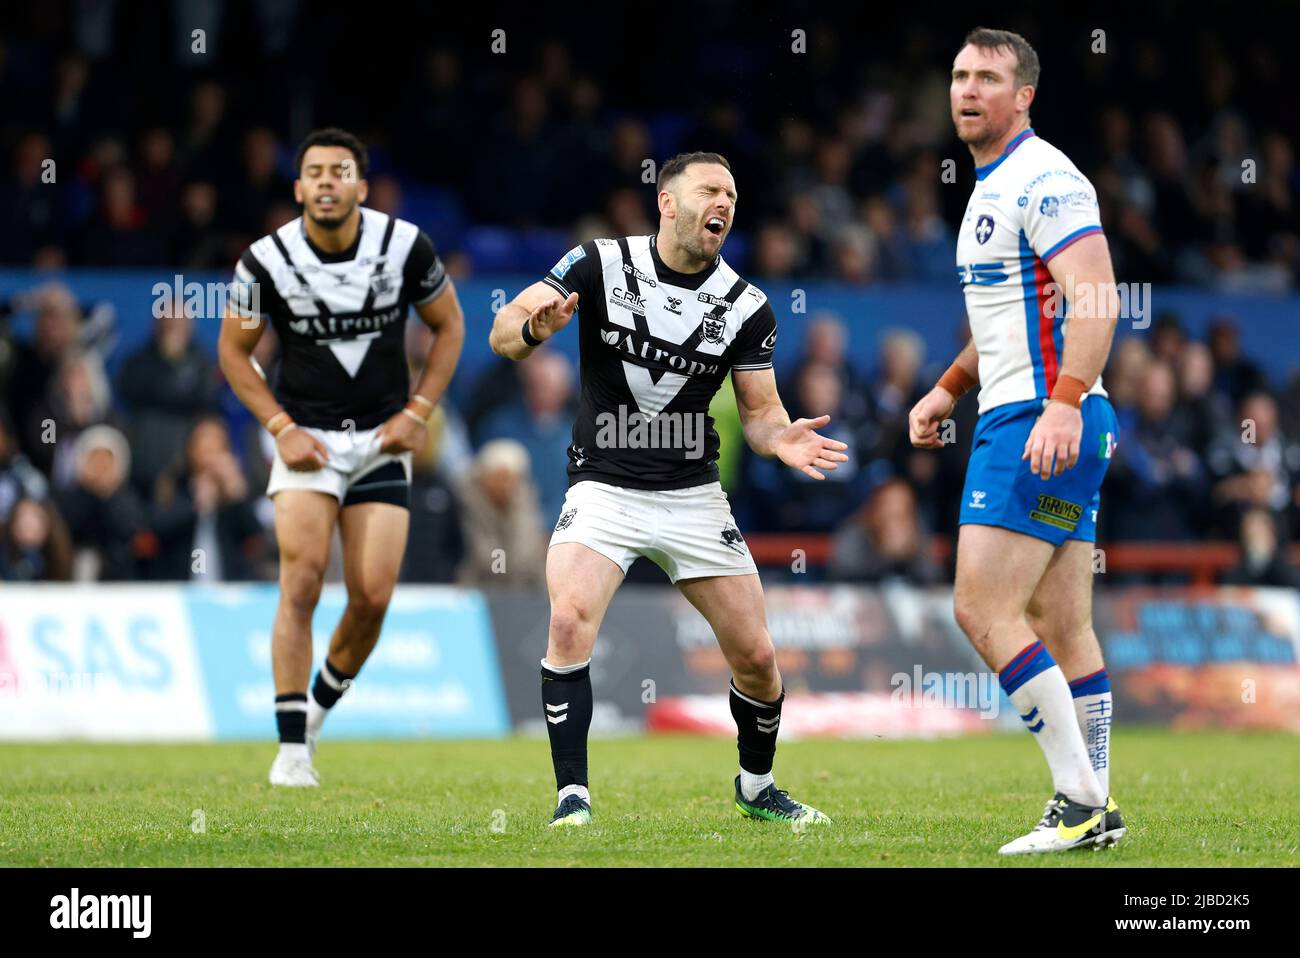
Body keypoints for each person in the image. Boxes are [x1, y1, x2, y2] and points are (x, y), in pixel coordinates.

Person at [489, 151, 848, 828]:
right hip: (604, 485)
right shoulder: (596, 264)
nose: (725, 204)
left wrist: (781, 438)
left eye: (733, 197)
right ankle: (573, 797)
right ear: (668, 202)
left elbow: (762, 413)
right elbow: (504, 331)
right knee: (567, 621)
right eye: (711, 190)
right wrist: (535, 327)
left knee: (759, 657)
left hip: (692, 494)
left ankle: (756, 785)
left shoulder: (747, 306)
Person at [909, 28, 1124, 854]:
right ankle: (1099, 801)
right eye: (959, 75)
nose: (967, 90)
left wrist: (1064, 403)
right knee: (1061, 624)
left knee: (981, 608)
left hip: (1040, 418)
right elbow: (1007, 319)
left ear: (1024, 94)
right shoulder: (993, 184)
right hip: (1041, 409)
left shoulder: (1045, 177)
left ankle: (1076, 803)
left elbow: (1096, 297)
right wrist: (947, 387)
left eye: (988, 78)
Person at [218, 128, 465, 787]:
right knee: (300, 579)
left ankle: (319, 709)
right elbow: (233, 352)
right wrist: (279, 426)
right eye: (315, 173)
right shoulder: (264, 261)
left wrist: (418, 413)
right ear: (298, 189)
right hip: (309, 439)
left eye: (340, 172)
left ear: (360, 186)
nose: (327, 182)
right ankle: (291, 748)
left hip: (381, 438)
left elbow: (450, 326)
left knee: (373, 596)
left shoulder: (405, 246)